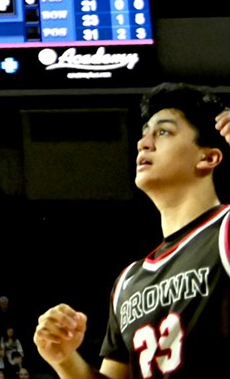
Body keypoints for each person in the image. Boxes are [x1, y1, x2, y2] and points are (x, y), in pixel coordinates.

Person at [36, 83, 230, 379]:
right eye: (144, 134)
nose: (144, 143)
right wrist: (64, 359)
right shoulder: (128, 282)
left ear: (207, 158)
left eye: (163, 132)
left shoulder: (224, 229)